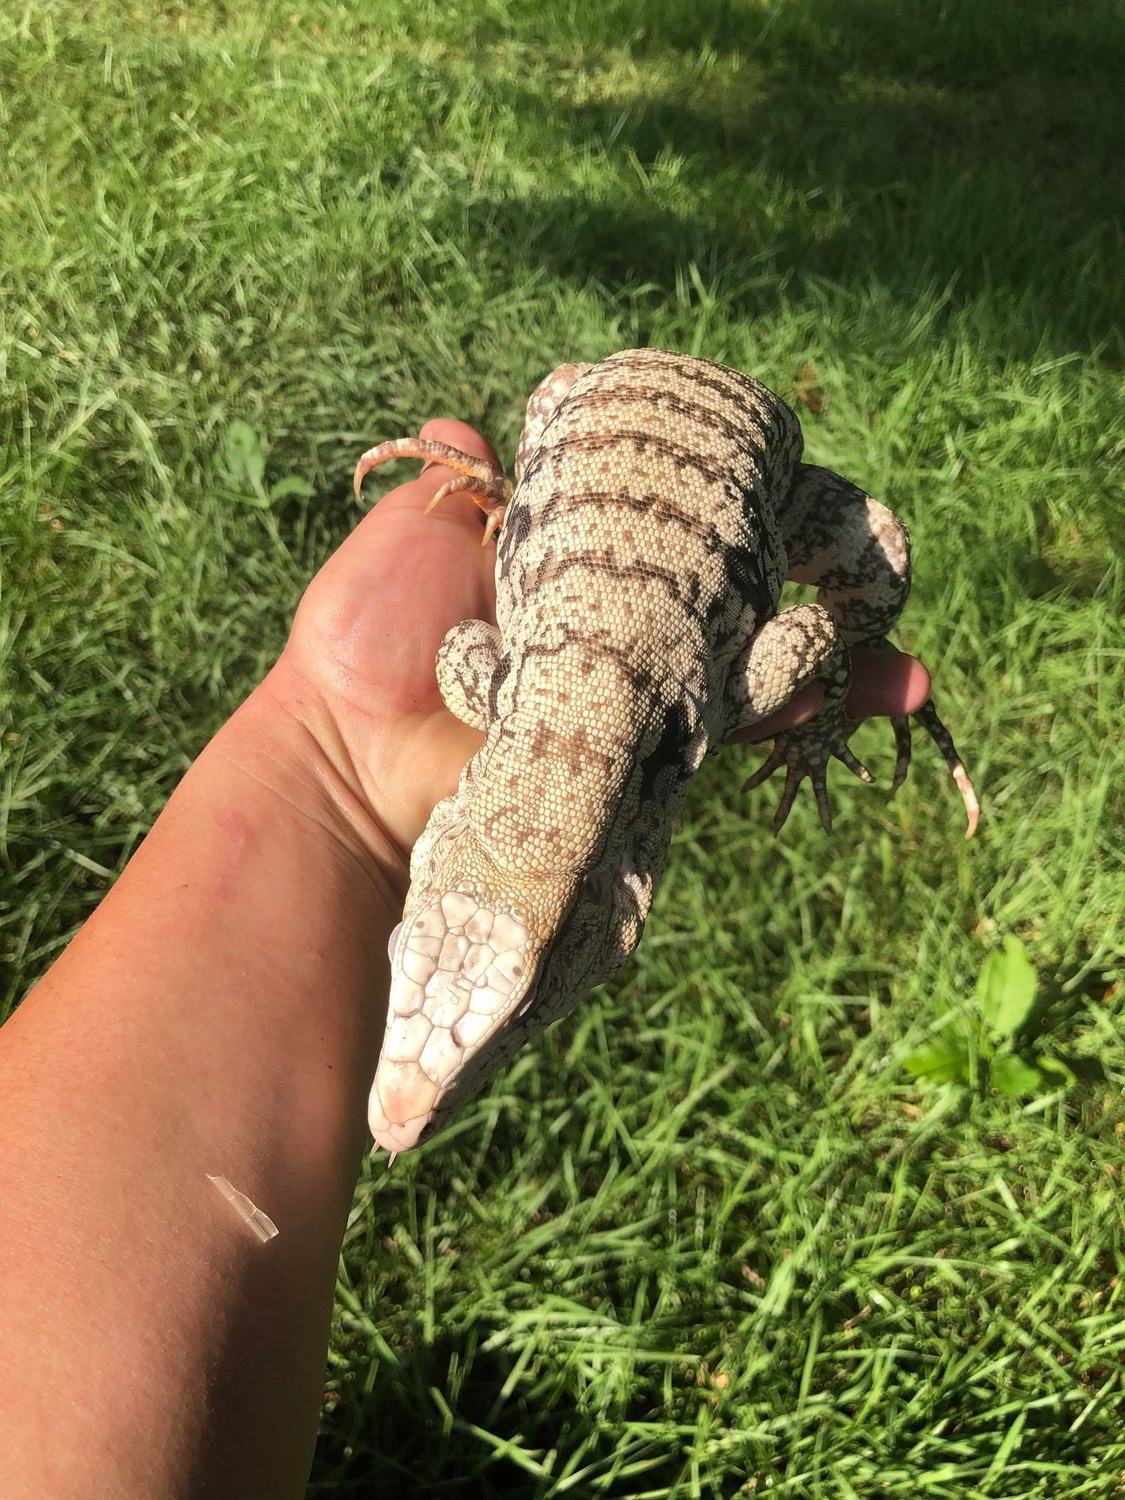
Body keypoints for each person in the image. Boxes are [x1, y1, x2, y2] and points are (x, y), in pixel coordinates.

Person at [0, 420, 931, 1497]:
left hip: (722, 439)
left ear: (616, 903)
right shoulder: (593, 696)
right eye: (414, 934)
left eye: (525, 993)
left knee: (878, 576)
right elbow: (486, 657)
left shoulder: (691, 700)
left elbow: (798, 643)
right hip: (605, 432)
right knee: (877, 575)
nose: (406, 1109)